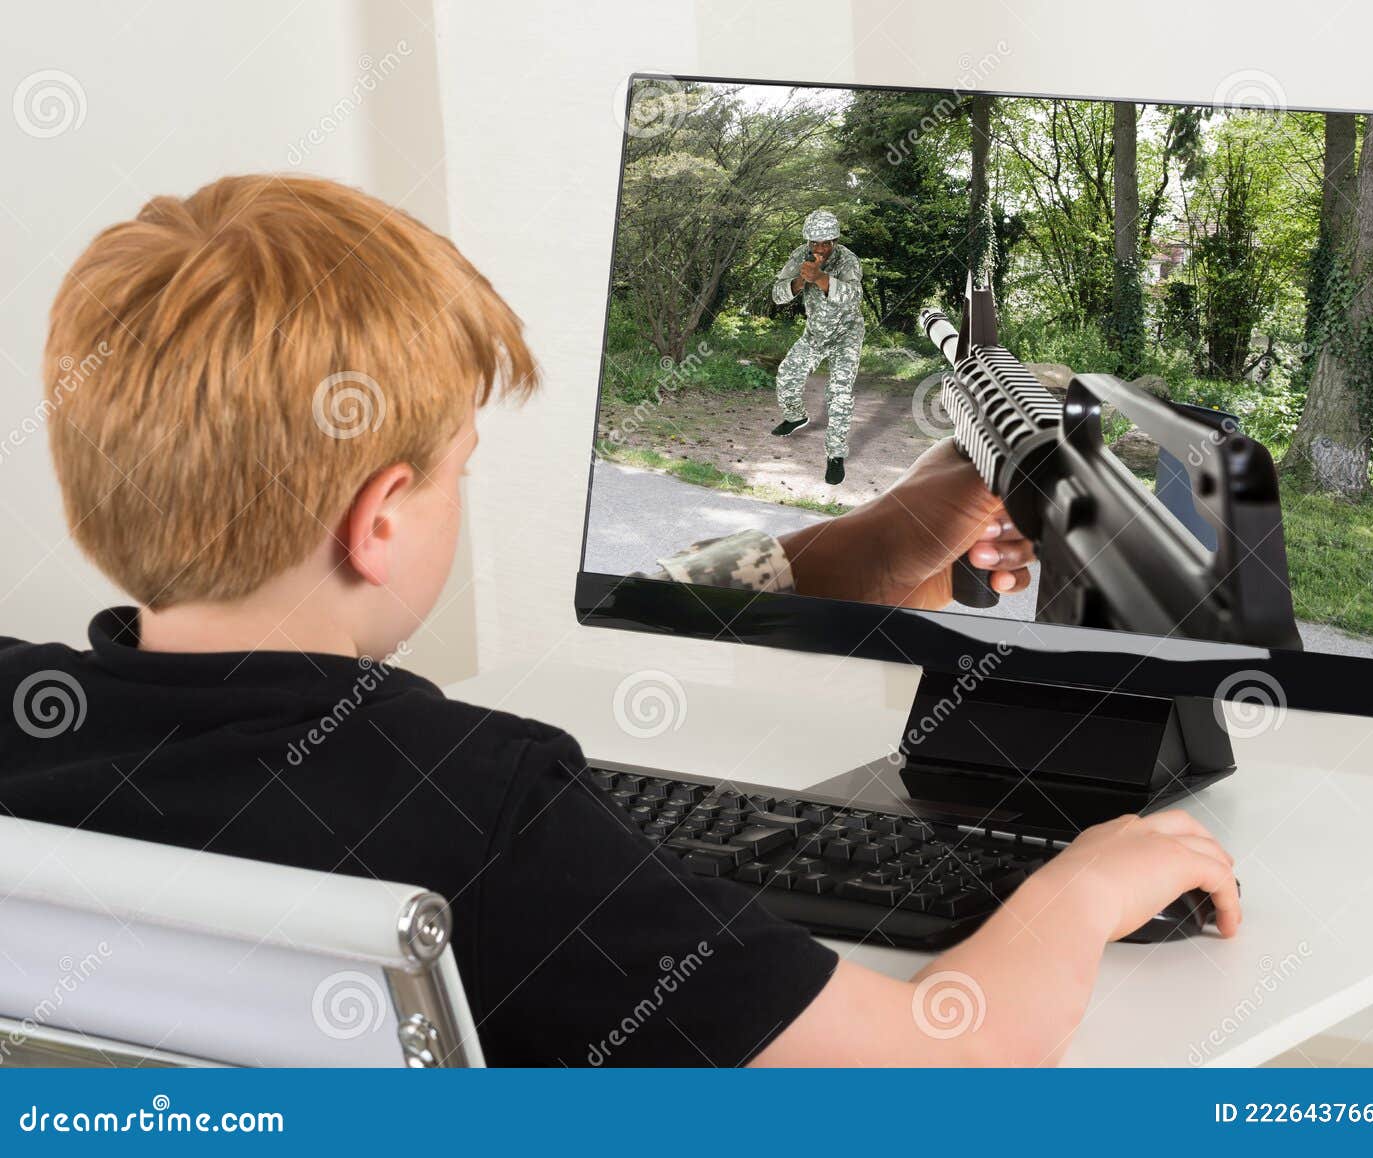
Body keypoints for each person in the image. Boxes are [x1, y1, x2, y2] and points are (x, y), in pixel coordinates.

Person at [0, 175, 1239, 1067]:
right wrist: (1083, 888)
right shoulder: (488, 809)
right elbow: (932, 1072)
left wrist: (870, 551)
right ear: (381, 519)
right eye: (457, 466)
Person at [770, 209, 864, 487]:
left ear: (835, 240)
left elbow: (853, 297)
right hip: (815, 334)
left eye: (826, 243)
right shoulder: (800, 256)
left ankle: (835, 456)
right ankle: (795, 417)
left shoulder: (847, 259)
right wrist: (801, 281)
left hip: (846, 335)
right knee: (787, 375)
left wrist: (821, 278)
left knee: (840, 394)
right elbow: (777, 295)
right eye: (815, 243)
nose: (820, 248)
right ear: (808, 241)